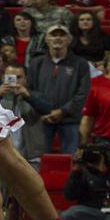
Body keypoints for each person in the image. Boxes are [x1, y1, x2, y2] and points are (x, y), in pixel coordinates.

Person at [28, 24, 91, 155]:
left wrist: (63, 111)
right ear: (46, 39)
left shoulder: (81, 64)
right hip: (42, 119)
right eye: (53, 35)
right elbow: (31, 90)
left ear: (69, 40)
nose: (58, 38)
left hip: (70, 120)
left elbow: (83, 93)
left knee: (70, 160)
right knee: (40, 159)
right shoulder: (36, 62)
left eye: (62, 35)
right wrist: (44, 111)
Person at [0, 63, 54, 170]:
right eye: (10, 77)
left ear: (26, 78)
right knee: (4, 187)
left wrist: (28, 96)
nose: (15, 81)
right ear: (2, 77)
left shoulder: (35, 96)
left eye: (19, 77)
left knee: (31, 186)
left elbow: (47, 109)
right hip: (3, 154)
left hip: (30, 155)